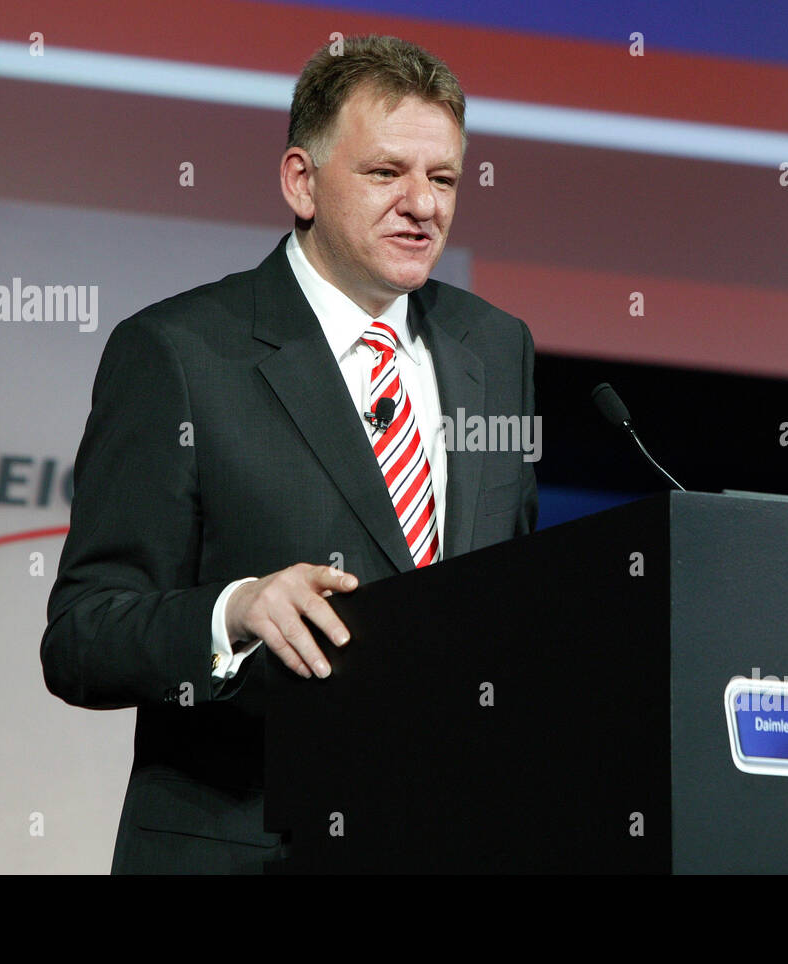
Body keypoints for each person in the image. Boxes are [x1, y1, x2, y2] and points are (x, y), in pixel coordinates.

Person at [40, 35, 538, 873]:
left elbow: (512, 602)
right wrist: (233, 611)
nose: (423, 204)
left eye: (443, 178)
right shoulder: (181, 353)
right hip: (251, 850)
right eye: (387, 174)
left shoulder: (495, 347)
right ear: (301, 181)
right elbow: (83, 635)